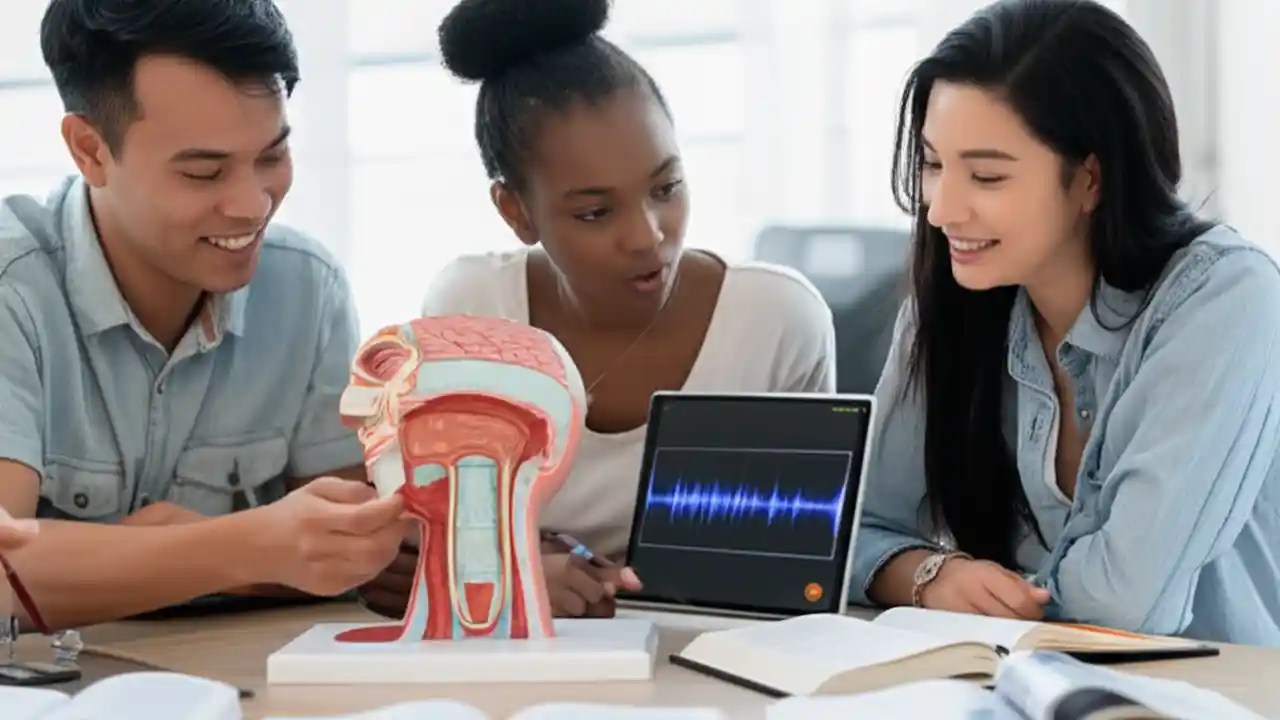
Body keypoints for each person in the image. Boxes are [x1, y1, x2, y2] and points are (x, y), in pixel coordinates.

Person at [355, 0, 838, 620]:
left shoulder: (777, 321)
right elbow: (418, 541)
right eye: (594, 212)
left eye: (666, 188)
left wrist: (509, 564)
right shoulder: (470, 313)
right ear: (516, 212)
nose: (647, 235)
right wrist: (510, 575)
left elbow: (792, 574)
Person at [849, 0, 1280, 646]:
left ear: (1089, 179)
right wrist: (931, 575)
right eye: (935, 165)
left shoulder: (1227, 296)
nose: (941, 210)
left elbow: (1127, 603)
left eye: (987, 175)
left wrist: (996, 592)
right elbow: (853, 529)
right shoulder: (956, 299)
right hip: (1028, 687)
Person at [0, 0, 407, 631]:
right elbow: (4, 578)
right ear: (90, 150)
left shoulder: (308, 290)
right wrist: (244, 545)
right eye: (203, 172)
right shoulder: (13, 292)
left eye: (271, 156)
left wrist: (147, 550)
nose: (251, 206)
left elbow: (351, 553)